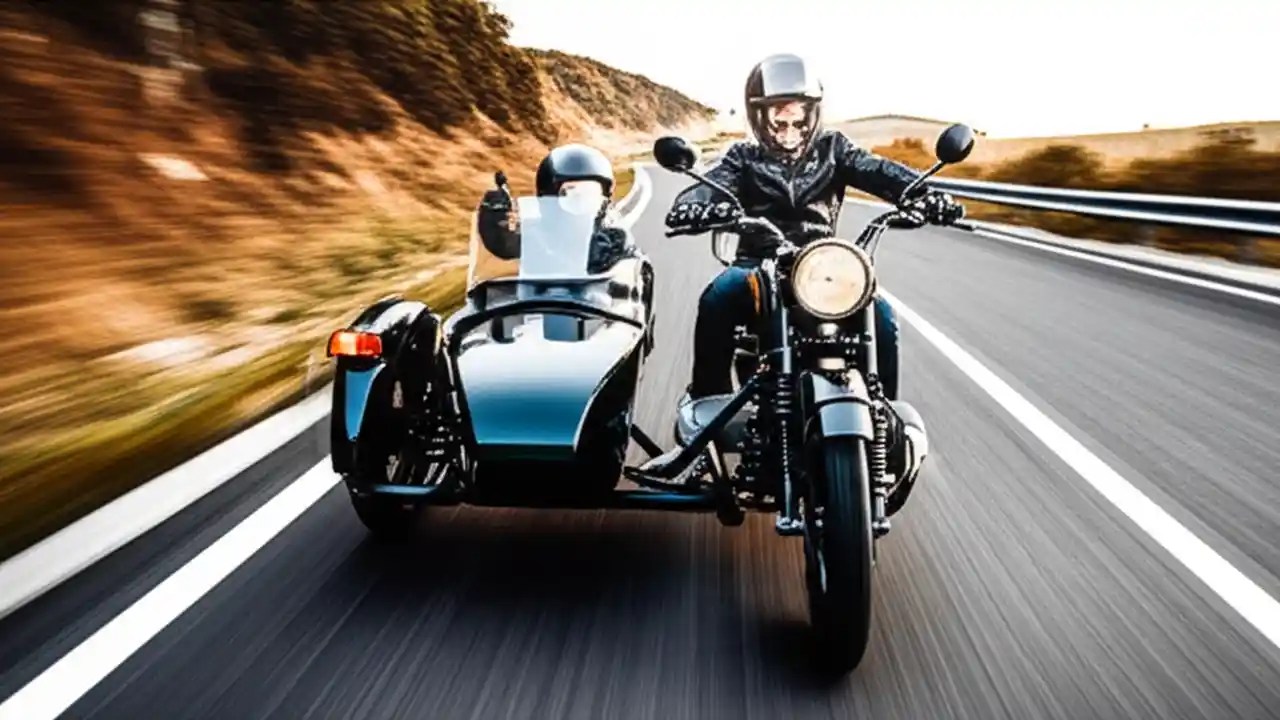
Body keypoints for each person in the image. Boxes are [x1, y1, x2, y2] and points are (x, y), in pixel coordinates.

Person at [665, 53, 964, 407]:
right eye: (778, 115)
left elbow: (879, 171)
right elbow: (711, 184)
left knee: (881, 314)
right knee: (718, 296)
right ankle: (705, 402)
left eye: (798, 115)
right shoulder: (742, 157)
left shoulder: (834, 149)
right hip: (758, 265)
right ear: (760, 115)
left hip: (822, 267)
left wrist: (923, 194)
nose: (789, 126)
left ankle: (884, 413)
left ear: (812, 113)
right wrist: (693, 205)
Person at [476, 143, 639, 274]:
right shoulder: (536, 234)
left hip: (597, 312)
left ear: (604, 199)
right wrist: (494, 217)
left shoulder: (614, 239)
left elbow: (632, 275)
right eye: (570, 193)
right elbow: (504, 244)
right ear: (549, 197)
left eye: (591, 194)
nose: (582, 200)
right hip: (538, 309)